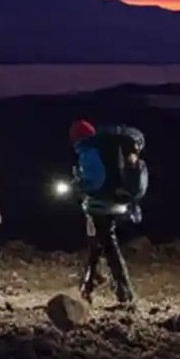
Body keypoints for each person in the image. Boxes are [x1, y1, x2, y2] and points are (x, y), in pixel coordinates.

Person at [70, 120, 148, 307]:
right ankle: (88, 287)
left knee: (107, 244)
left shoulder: (88, 150)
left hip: (101, 205)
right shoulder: (107, 146)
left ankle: (123, 292)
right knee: (98, 243)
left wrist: (79, 185)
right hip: (118, 201)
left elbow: (95, 180)